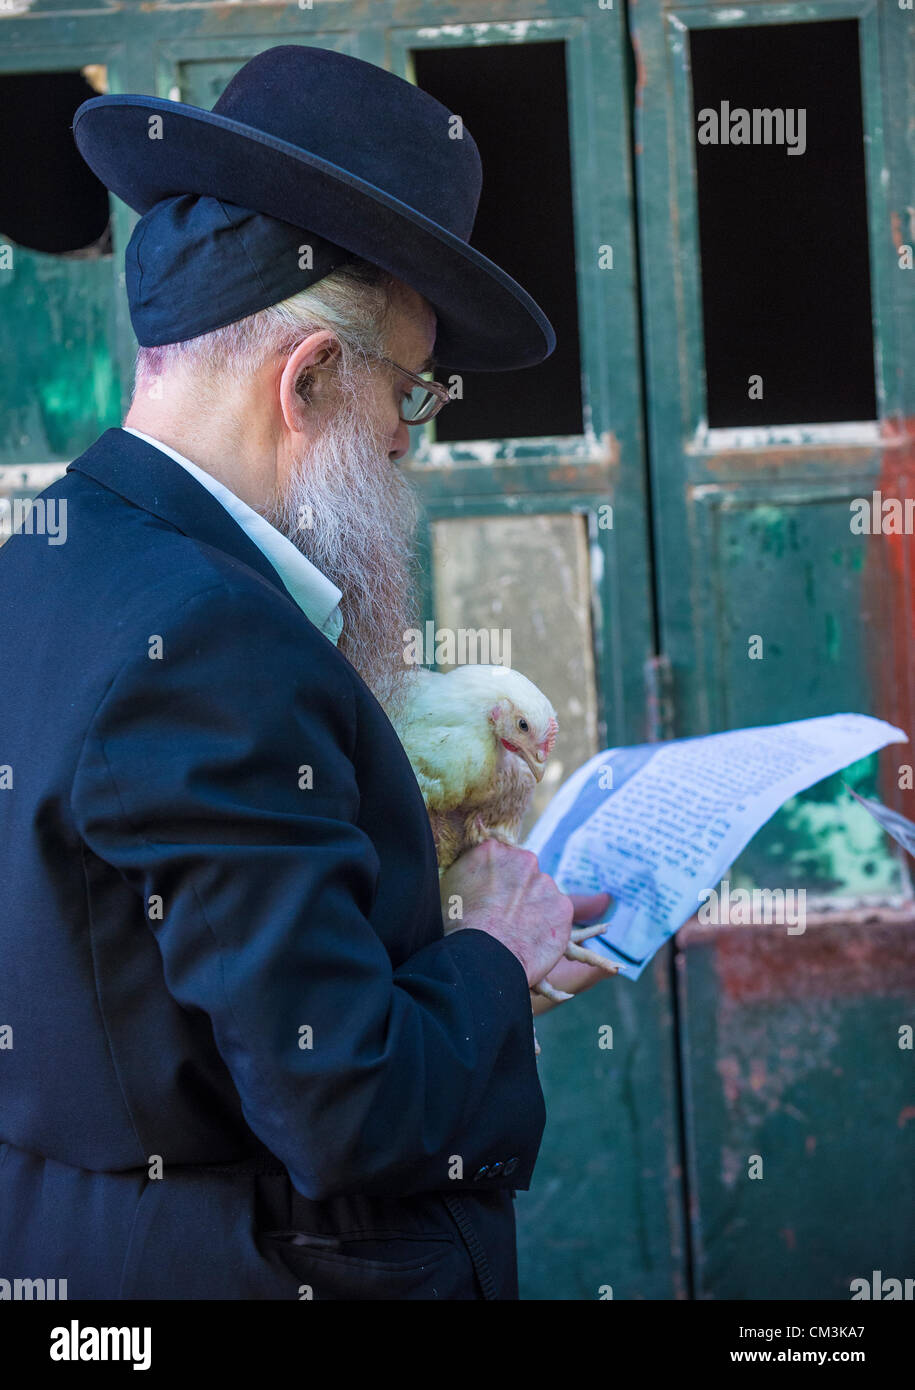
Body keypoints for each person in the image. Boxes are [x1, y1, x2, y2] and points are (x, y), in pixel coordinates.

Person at [0, 44, 610, 1300]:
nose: (406, 441)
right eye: (414, 393)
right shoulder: (214, 643)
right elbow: (347, 1106)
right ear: (313, 378)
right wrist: (497, 947)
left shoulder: (40, 564)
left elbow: (153, 993)